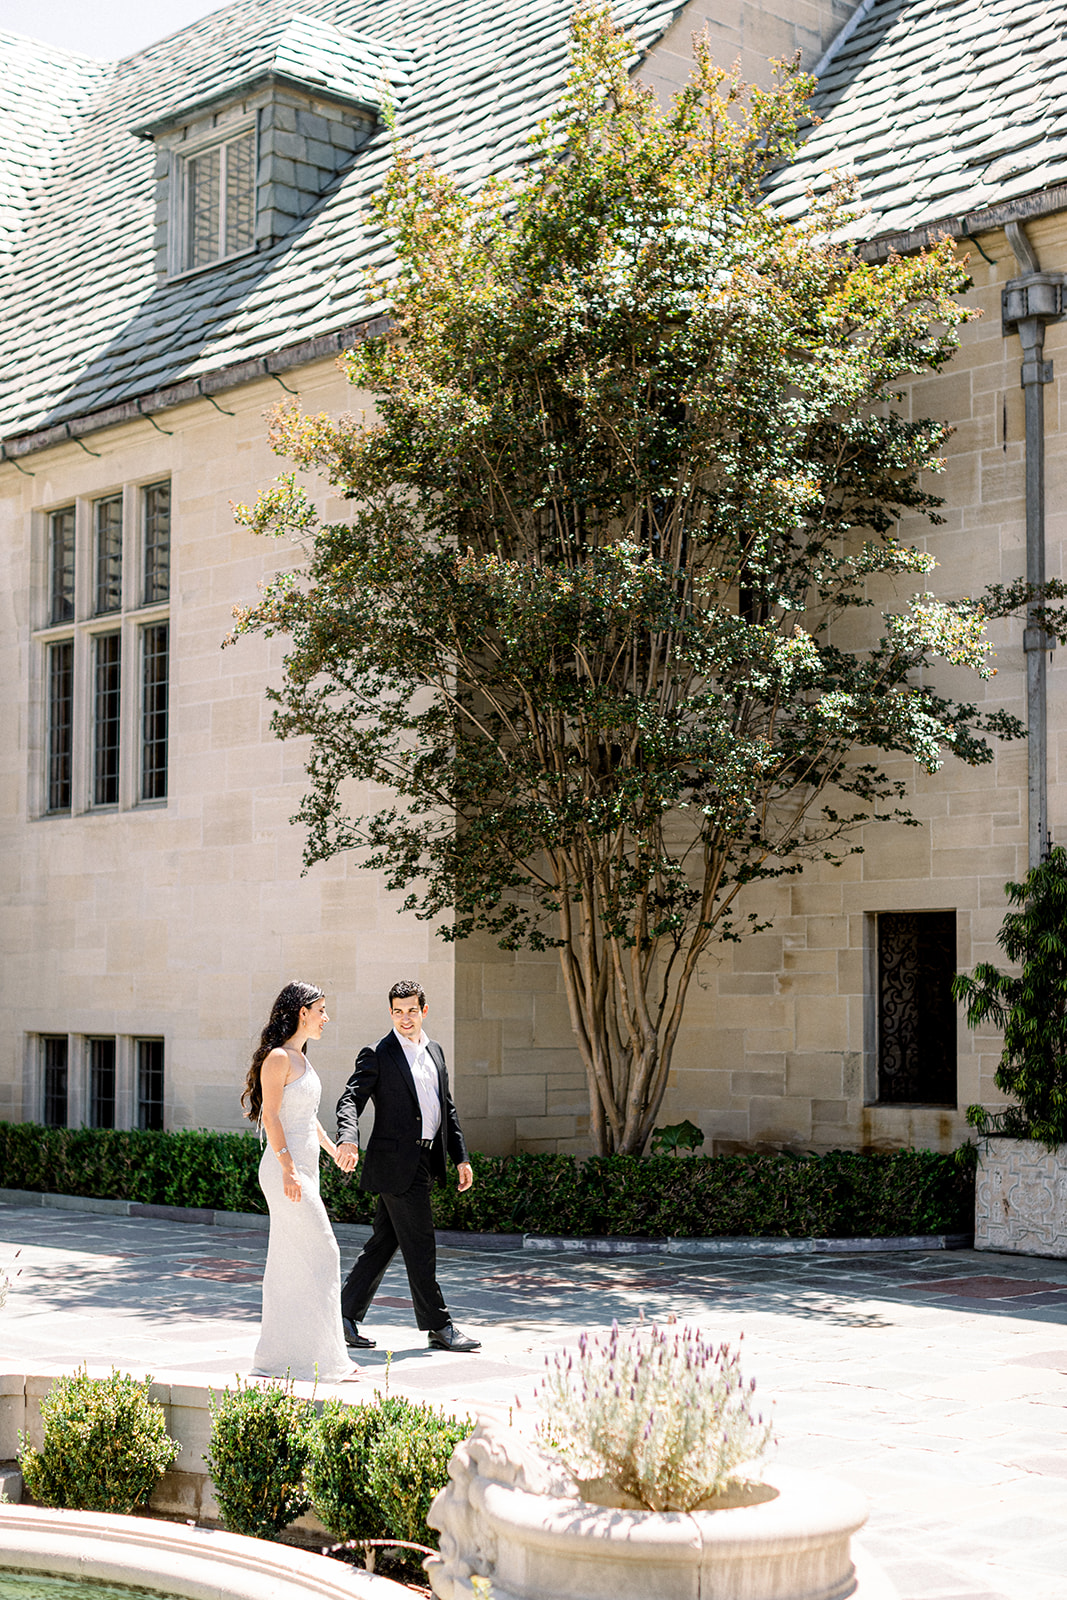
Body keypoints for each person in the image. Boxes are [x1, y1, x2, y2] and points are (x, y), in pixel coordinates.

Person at [335, 979, 481, 1352]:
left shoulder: (435, 1051)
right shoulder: (377, 1053)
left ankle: (341, 1316)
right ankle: (439, 1326)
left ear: (424, 1011)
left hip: (425, 1159)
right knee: (420, 1244)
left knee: (384, 1243)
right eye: (397, 1011)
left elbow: (445, 1108)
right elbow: (351, 1098)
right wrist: (347, 1136)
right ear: (391, 1013)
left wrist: (460, 1157)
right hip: (396, 1164)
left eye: (411, 1010)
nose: (404, 1018)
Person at [243, 981, 359, 1383]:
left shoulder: (300, 1057)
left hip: (304, 1168)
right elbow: (271, 1116)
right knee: (325, 1251)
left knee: (291, 1261)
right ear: (301, 1012)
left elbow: (307, 1117)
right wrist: (288, 1168)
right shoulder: (277, 1058)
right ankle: (326, 1360)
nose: (326, 1018)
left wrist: (332, 1151)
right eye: (321, 1010)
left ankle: (282, 1359)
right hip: (284, 1170)